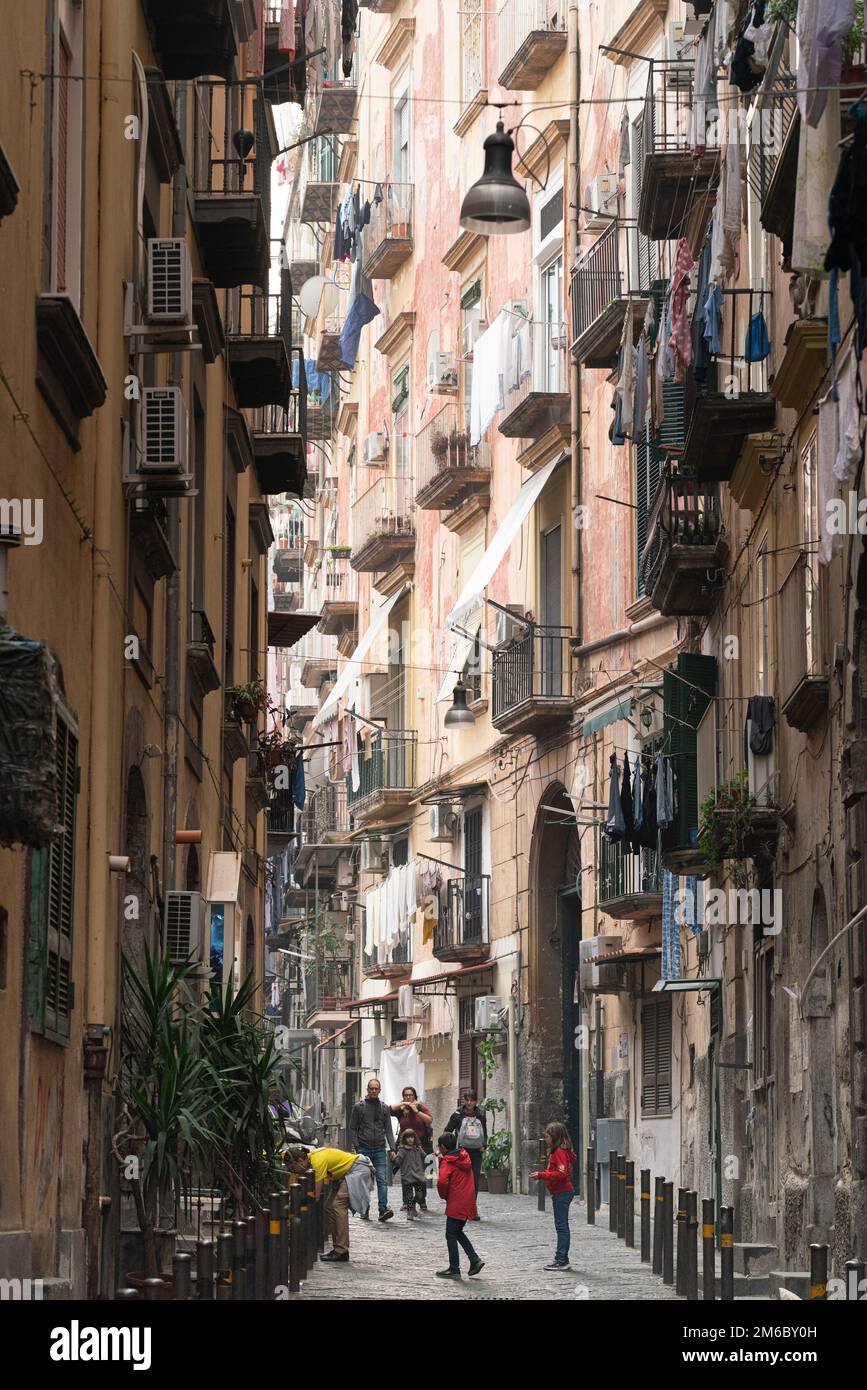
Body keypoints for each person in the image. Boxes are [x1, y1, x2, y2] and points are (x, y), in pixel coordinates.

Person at [286, 1144, 372, 1264]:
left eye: (294, 1169)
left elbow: (315, 1195)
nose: (295, 1172)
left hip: (356, 1170)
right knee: (329, 1207)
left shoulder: (317, 1161)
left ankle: (341, 1250)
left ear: (300, 1161)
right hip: (344, 1174)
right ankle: (338, 1248)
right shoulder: (311, 1158)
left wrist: (297, 1204)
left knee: (338, 1205)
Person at [435, 1132, 484, 1280]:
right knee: (457, 1231)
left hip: (456, 1201)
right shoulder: (464, 1156)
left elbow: (442, 1182)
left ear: (443, 1147)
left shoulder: (448, 1161)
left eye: (439, 1146)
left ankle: (455, 1268)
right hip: (467, 1200)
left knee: (450, 1233)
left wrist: (443, 1195)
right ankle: (474, 1260)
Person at [348, 1077, 396, 1222]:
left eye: (376, 1088)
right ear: (367, 1090)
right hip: (364, 1149)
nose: (374, 1091)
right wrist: (357, 1146)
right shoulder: (359, 1107)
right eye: (372, 1088)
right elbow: (352, 1128)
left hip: (380, 1149)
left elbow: (388, 1129)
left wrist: (392, 1148)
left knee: (382, 1180)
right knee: (365, 1182)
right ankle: (364, 1209)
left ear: (379, 1090)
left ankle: (383, 1209)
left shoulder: (384, 1108)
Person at [531, 1121, 577, 1271]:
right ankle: (563, 1257)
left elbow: (562, 1173)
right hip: (561, 1192)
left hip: (562, 1192)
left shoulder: (559, 1152)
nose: (546, 1138)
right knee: (562, 1226)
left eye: (548, 1135)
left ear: (554, 1137)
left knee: (561, 1226)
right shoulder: (560, 1151)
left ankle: (561, 1259)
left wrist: (541, 1175)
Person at [445, 1090, 487, 1214]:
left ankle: (472, 1209)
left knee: (474, 1180)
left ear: (476, 1101)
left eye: (472, 1100)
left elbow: (484, 1131)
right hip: (462, 1151)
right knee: (461, 1180)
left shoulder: (480, 1114)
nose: (469, 1103)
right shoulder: (457, 1114)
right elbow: (448, 1131)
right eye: (467, 1100)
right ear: (463, 1100)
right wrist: (449, 1148)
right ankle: (460, 1207)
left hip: (476, 1151)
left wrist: (484, 1145)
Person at [391, 1129, 427, 1220]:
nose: (410, 1139)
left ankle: (413, 1205)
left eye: (412, 1137)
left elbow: (425, 1157)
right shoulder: (402, 1150)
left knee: (420, 1195)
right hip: (408, 1176)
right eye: (408, 1138)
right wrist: (393, 1158)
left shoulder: (418, 1148)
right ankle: (410, 1211)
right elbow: (398, 1162)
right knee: (409, 1195)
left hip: (418, 1175)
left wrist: (433, 1156)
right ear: (404, 1139)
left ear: (415, 1138)